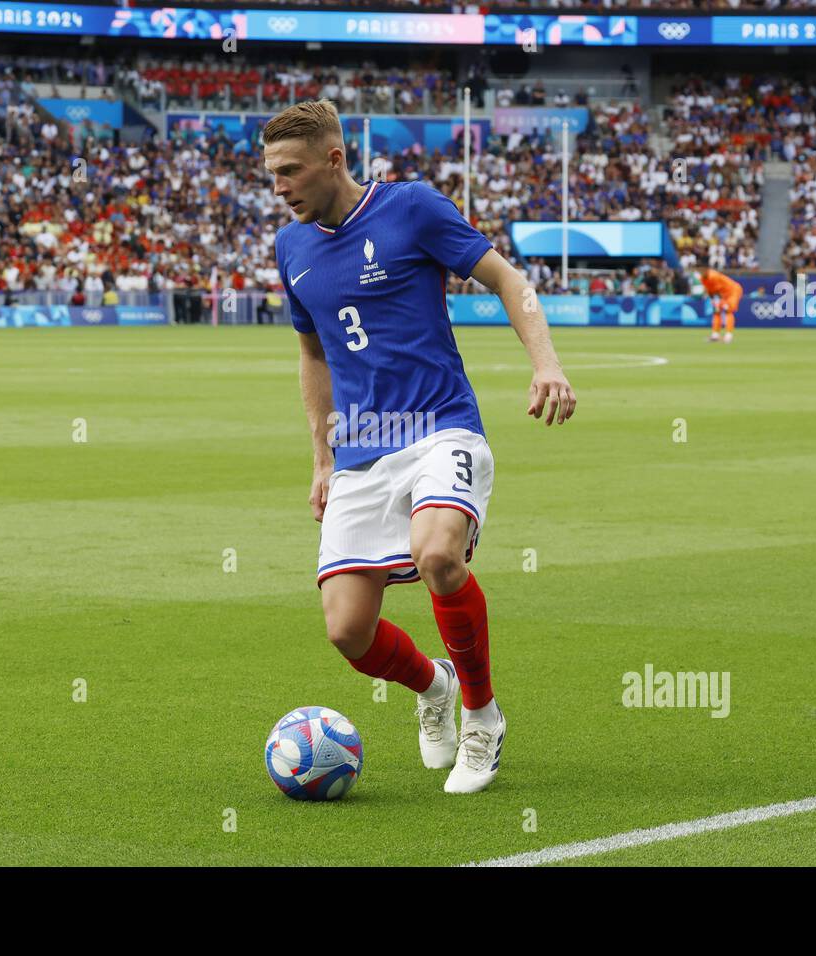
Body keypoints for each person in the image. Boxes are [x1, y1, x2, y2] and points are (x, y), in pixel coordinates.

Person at [265, 99, 576, 795]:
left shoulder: (412, 208)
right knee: (348, 632)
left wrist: (546, 364)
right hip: (360, 453)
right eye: (272, 175)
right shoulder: (292, 248)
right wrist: (321, 458)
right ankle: (431, 685)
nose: (279, 187)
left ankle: (481, 714)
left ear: (334, 158)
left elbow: (509, 280)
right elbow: (313, 356)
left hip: (441, 427)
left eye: (291, 171)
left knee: (437, 553)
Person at [699, 267, 742, 343]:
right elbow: (710, 291)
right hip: (721, 294)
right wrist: (713, 300)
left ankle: (728, 335)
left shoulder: (714, 276)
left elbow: (718, 290)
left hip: (733, 291)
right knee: (716, 312)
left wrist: (719, 302)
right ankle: (715, 335)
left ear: (707, 270)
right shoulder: (702, 278)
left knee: (728, 311)